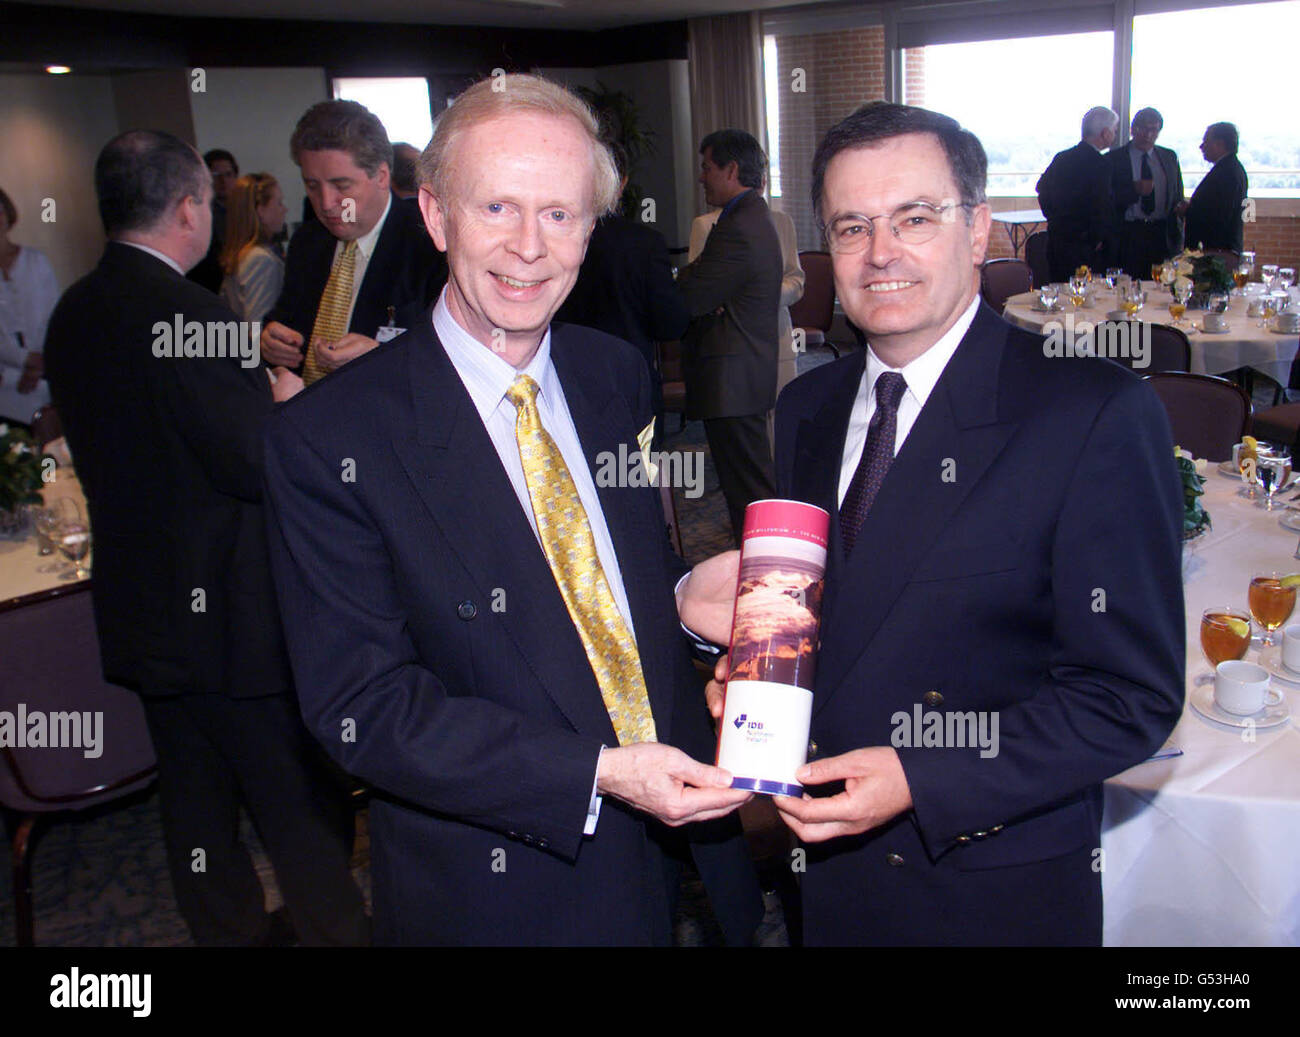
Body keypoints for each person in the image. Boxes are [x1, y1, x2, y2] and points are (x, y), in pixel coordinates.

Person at [261, 74, 763, 946]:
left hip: (678, 833)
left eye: (560, 214)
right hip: (505, 885)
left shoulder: (612, 375)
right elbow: (365, 709)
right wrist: (600, 775)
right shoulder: (328, 438)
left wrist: (681, 599)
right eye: (496, 207)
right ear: (436, 216)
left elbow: (595, 568)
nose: (530, 246)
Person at [698, 101, 1185, 945]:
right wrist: (751, 673)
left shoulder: (1092, 412)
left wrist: (922, 776)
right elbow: (830, 612)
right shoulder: (806, 407)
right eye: (852, 227)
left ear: (976, 231)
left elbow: (1127, 697)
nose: (880, 252)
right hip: (829, 869)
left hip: (985, 883)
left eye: (914, 218)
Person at [43, 130, 367, 947]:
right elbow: (256, 463)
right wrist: (289, 403)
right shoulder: (194, 312)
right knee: (293, 806)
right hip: (233, 612)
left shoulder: (74, 308)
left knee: (193, 807)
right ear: (189, 207)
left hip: (144, 604)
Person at [260, 100, 446, 385]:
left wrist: (383, 358)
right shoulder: (307, 242)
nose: (326, 203)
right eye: (312, 186)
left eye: (342, 186)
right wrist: (271, 339)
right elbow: (284, 319)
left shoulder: (430, 243)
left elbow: (452, 358)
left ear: (381, 176)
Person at [676, 129, 783, 543]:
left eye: (707, 167)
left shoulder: (740, 225)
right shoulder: (746, 217)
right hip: (738, 376)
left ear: (731, 170)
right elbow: (698, 283)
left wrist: (700, 291)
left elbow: (691, 295)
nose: (701, 177)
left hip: (733, 380)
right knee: (746, 486)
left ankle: (770, 578)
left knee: (750, 492)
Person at [554, 140, 689, 449]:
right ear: (623, 181)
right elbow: (671, 323)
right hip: (629, 382)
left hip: (561, 379)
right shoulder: (644, 244)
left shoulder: (552, 238)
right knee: (637, 478)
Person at [1036, 107, 1118, 281]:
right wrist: (1097, 239)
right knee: (1084, 298)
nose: (1115, 135)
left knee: (1060, 293)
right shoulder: (1101, 164)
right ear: (1105, 133)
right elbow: (1101, 205)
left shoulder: (1062, 158)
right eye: (1114, 130)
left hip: (1058, 240)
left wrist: (1054, 218)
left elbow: (1041, 189)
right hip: (1085, 246)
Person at [0, 186, 57, 422]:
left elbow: (53, 316)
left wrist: (38, 366)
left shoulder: (36, 261)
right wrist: (25, 361)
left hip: (45, 376)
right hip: (6, 382)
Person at [1108, 107, 1184, 278]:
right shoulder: (1114, 159)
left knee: (1162, 286)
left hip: (1162, 233)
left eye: (1154, 130)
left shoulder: (1169, 157)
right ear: (1132, 130)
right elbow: (1106, 199)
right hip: (1129, 233)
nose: (1148, 135)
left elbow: (1177, 193)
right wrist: (1133, 190)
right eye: (1143, 129)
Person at [218, 172, 287, 323]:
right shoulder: (260, 259)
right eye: (279, 203)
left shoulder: (243, 254)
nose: (284, 209)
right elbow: (258, 325)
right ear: (261, 211)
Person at [1184, 122, 1249, 254]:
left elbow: (1219, 216)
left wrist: (1189, 211)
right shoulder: (1229, 168)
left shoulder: (1228, 173)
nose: (1201, 147)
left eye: (1206, 142)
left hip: (1217, 253)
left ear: (1220, 144)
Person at [188, 148, 239, 292]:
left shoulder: (245, 211)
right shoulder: (199, 215)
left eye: (228, 174)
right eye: (216, 175)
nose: (223, 181)